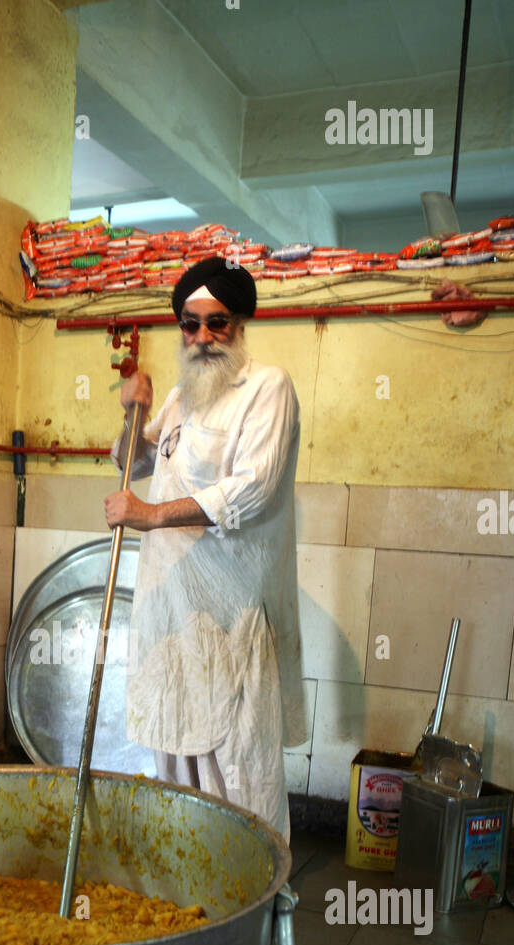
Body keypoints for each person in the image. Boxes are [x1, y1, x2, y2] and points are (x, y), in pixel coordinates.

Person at [104, 256, 305, 842]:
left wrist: (150, 516)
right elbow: (133, 462)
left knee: (238, 769)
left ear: (238, 324)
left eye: (216, 322)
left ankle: (260, 901)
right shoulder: (179, 396)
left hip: (230, 618)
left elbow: (254, 489)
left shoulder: (267, 388)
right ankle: (189, 892)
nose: (202, 337)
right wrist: (129, 414)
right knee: (176, 759)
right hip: (170, 614)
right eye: (190, 324)